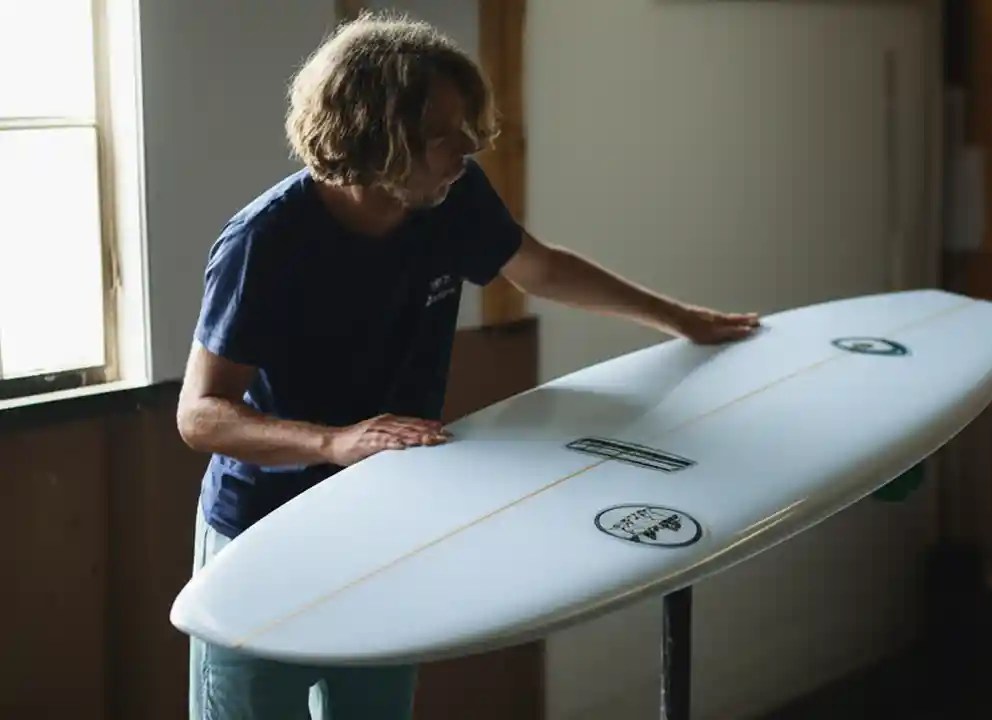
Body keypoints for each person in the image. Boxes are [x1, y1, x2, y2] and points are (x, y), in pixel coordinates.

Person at [175, 11, 759, 720]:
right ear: (377, 136)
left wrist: (681, 320)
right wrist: (333, 442)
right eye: (443, 135)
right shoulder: (265, 243)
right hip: (264, 536)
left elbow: (538, 268)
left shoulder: (451, 199)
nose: (465, 151)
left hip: (387, 520)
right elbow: (201, 416)